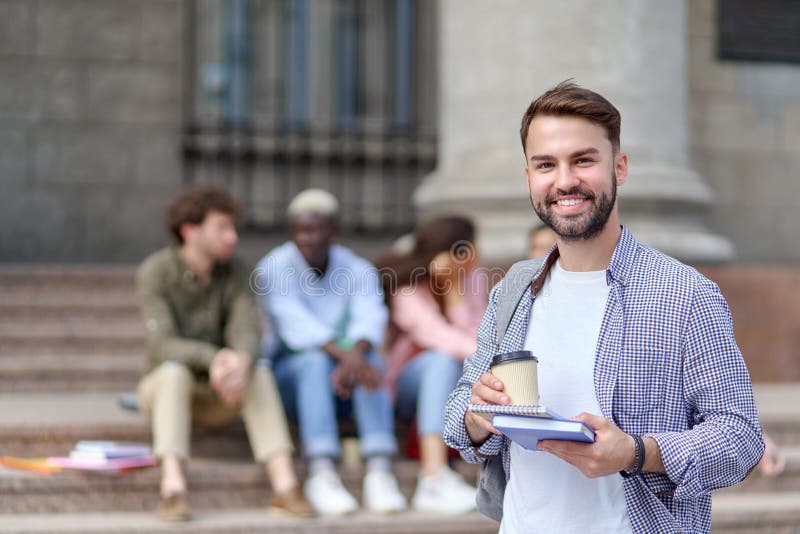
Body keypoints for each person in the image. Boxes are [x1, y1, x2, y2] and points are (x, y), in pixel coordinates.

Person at [443, 81, 764, 533]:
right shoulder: (512, 288)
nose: (565, 180)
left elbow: (740, 439)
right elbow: (459, 417)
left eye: (584, 160)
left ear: (620, 167)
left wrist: (637, 453)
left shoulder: (685, 294)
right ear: (529, 176)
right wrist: (479, 415)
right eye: (546, 165)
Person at [136, 184, 313, 522]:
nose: (232, 237)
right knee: (174, 372)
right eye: (222, 227)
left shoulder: (237, 272)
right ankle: (173, 488)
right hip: (164, 389)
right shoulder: (155, 272)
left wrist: (241, 360)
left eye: (232, 227)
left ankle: (285, 485)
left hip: (222, 390)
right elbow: (161, 343)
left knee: (258, 370)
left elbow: (249, 329)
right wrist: (214, 358)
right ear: (190, 230)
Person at [253, 189, 407, 516]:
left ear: (333, 231)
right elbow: (296, 326)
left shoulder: (357, 268)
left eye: (313, 230)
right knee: (313, 361)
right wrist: (350, 359)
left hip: (344, 378)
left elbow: (370, 316)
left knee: (373, 362)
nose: (304, 239)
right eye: (298, 231)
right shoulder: (273, 267)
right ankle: (321, 470)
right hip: (292, 378)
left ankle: (379, 469)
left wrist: (356, 358)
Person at [374, 215, 484, 514]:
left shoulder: (473, 279)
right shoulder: (408, 287)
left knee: (452, 363)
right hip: (408, 385)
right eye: (472, 246)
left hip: (462, 384)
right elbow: (438, 337)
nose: (479, 253)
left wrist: (454, 293)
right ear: (454, 250)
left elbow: (479, 336)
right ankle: (433, 478)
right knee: (440, 360)